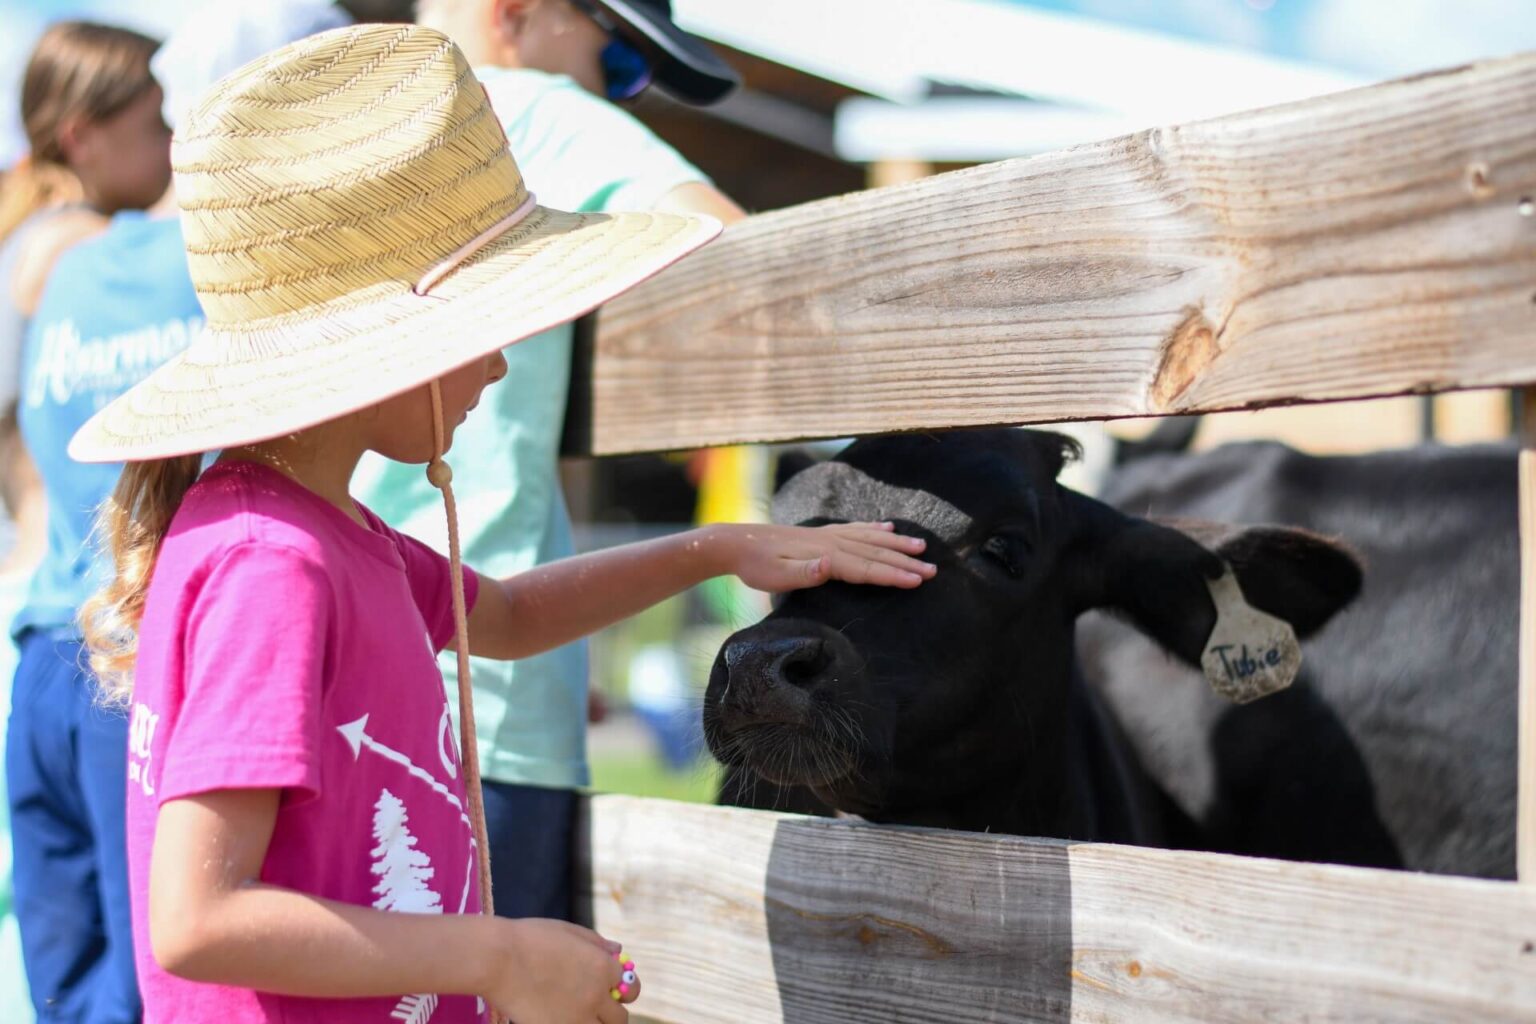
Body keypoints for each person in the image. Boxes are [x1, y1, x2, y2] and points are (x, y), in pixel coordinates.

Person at [72, 24, 932, 1023]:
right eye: (483, 329)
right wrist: (502, 954)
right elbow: (199, 918)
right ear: (385, 342)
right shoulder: (276, 563)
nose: (499, 366)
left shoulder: (320, 528)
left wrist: (720, 548)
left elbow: (511, 615)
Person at [374, 0, 744, 921]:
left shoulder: (356, 136)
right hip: (488, 696)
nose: (620, 95)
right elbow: (733, 243)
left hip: (347, 673)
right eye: (617, 66)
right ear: (518, 15)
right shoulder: (529, 107)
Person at [1, 20, 172, 1024]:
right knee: (153, 968)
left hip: (37, 647)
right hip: (122, 647)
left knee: (64, 980)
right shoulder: (137, 261)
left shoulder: (21, 262)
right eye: (155, 120)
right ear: (83, 135)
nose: (173, 142)